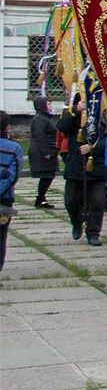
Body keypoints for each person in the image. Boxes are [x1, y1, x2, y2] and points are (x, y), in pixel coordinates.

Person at [59, 98, 107, 245]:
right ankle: (76, 222)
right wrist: (75, 110)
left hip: (96, 166)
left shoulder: (103, 114)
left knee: (97, 202)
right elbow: (62, 127)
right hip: (76, 165)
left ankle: (93, 233)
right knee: (71, 201)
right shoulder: (74, 114)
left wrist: (93, 147)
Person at [28, 96, 58, 209]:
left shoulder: (46, 118)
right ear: (42, 106)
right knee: (47, 175)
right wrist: (45, 152)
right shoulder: (39, 119)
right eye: (48, 104)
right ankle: (40, 199)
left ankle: (41, 198)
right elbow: (39, 136)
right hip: (41, 151)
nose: (50, 106)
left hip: (49, 149)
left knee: (49, 175)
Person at [0, 112, 21, 271]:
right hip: (5, 198)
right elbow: (12, 176)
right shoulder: (14, 148)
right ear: (7, 127)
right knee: (1, 237)